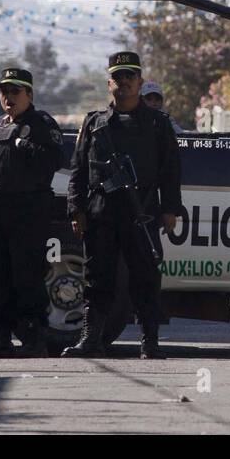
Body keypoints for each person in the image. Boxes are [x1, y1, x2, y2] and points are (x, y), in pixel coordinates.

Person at [64, 52, 183, 359]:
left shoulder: (158, 124)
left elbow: (171, 170)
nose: (125, 82)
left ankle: (150, 342)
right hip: (102, 213)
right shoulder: (94, 123)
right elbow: (78, 169)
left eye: (130, 76)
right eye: (118, 77)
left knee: (145, 278)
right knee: (97, 278)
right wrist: (76, 209)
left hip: (141, 213)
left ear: (140, 83)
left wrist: (170, 209)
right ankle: (91, 339)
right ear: (109, 84)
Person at [0, 68, 64, 358]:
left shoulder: (41, 124)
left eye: (15, 91)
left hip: (28, 214)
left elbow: (53, 160)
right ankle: (0, 334)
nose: (8, 97)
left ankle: (34, 336)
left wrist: (22, 144)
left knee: (27, 277)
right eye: (4, 91)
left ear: (29, 95)